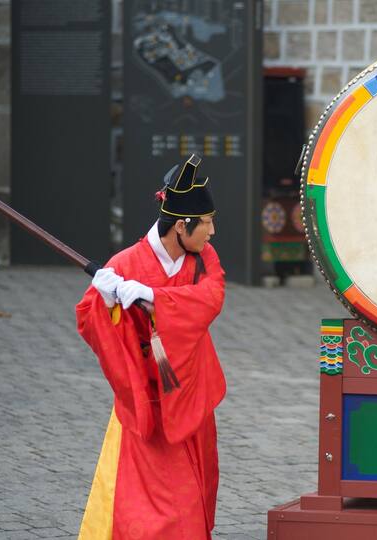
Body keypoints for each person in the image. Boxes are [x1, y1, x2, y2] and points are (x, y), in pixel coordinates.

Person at [76, 154, 226, 539]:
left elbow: (210, 299)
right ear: (181, 225)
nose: (211, 232)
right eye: (206, 223)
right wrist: (107, 301)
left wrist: (152, 297)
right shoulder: (125, 262)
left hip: (189, 395)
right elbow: (88, 318)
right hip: (147, 403)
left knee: (198, 494)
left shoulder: (203, 259)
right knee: (158, 511)